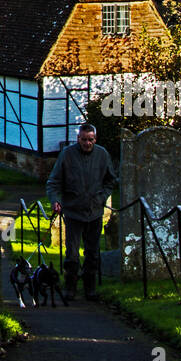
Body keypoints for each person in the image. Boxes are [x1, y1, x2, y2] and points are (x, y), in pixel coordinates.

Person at [45, 122, 116, 301]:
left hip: (94, 211)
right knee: (72, 254)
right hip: (73, 211)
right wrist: (55, 201)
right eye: (84, 140)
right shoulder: (67, 155)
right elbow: (53, 182)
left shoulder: (102, 155)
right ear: (78, 139)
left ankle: (90, 288)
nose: (87, 143)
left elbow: (111, 180)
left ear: (95, 139)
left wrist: (102, 197)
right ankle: (70, 287)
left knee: (92, 253)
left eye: (90, 140)